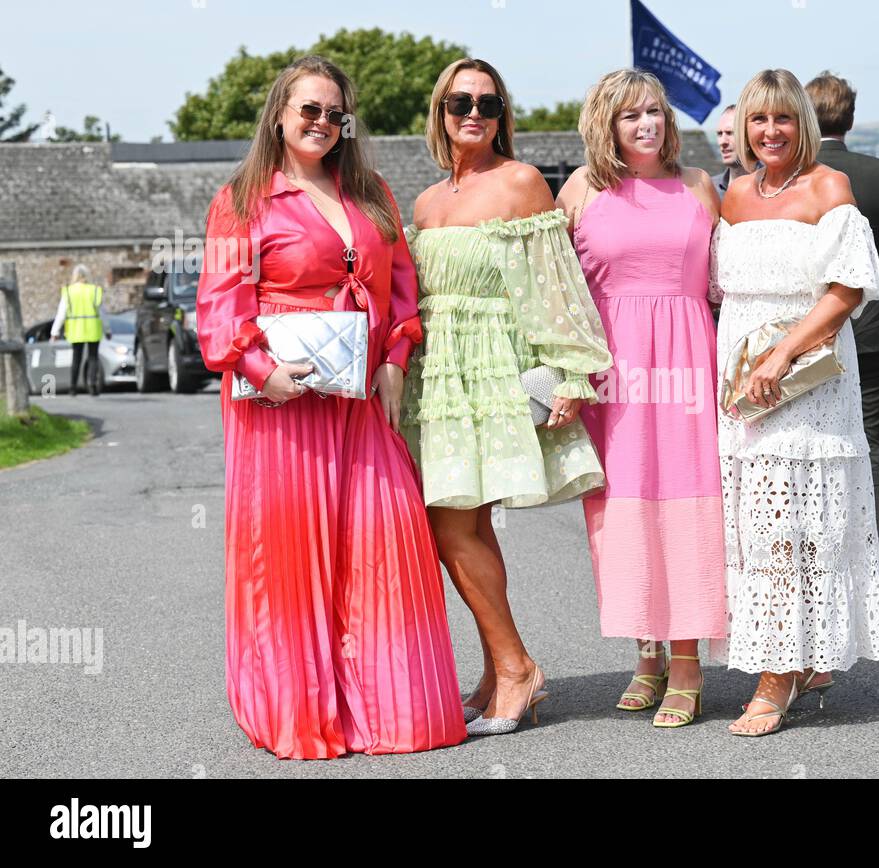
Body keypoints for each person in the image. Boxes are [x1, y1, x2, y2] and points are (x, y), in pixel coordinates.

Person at [196, 55, 466, 759]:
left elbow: (402, 287)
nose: (320, 122)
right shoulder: (243, 200)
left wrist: (397, 360)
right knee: (293, 559)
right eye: (306, 109)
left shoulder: (370, 191)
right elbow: (220, 308)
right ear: (280, 115)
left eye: (331, 111)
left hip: (362, 398)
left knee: (383, 541)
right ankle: (304, 712)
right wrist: (260, 368)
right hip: (281, 405)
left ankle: (386, 709)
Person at [402, 58, 612, 736]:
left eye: (488, 104)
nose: (475, 113)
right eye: (461, 101)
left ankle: (517, 667)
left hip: (493, 372)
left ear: (502, 117)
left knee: (455, 524)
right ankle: (499, 668)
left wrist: (572, 372)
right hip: (438, 377)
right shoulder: (428, 202)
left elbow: (558, 285)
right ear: (439, 110)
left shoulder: (521, 183)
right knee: (464, 525)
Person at [711, 69, 879, 736]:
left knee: (789, 526)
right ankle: (806, 653)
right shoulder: (732, 194)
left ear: (803, 124)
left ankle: (777, 675)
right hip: (741, 384)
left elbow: (846, 291)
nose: (769, 132)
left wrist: (782, 355)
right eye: (758, 121)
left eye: (782, 119)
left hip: (805, 381)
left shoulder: (828, 187)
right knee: (757, 525)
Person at [556, 68, 726, 729]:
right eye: (631, 115)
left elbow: (728, 280)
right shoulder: (580, 190)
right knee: (625, 517)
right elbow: (557, 293)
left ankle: (687, 661)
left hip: (687, 365)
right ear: (606, 124)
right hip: (615, 374)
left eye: (655, 111)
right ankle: (648, 654)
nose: (648, 123)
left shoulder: (697, 186)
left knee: (687, 511)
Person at [805, 71, 879, 600]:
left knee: (818, 450)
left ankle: (824, 564)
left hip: (814, 334)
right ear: (850, 116)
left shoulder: (798, 178)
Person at [51, 264, 110, 397]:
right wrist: (107, 330)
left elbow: (61, 314)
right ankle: (92, 385)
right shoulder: (94, 290)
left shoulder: (69, 291)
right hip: (92, 329)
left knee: (76, 358)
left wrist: (54, 332)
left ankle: (73, 387)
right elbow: (102, 313)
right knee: (93, 357)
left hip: (75, 330)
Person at [711, 104, 748, 198]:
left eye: (730, 133)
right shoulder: (710, 189)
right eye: (719, 134)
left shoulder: (772, 187)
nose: (722, 142)